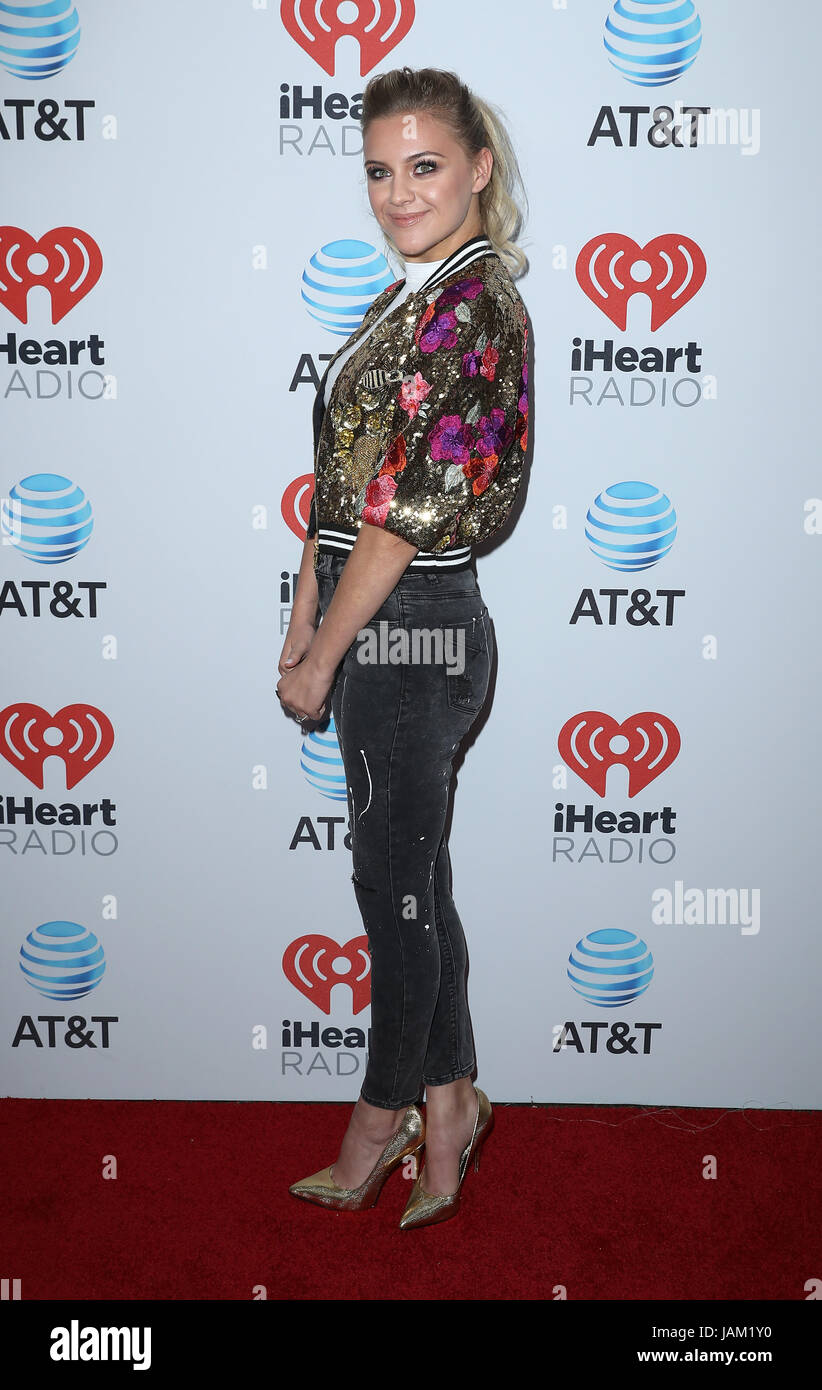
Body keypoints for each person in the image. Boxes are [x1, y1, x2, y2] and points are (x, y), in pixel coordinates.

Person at [276, 66, 530, 1229]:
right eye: (380, 170)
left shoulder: (470, 308)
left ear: (479, 167)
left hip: (410, 632)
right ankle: (454, 1104)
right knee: (417, 885)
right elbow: (338, 490)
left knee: (391, 896)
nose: (397, 191)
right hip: (385, 620)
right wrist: (300, 618)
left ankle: (379, 1122)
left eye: (423, 166)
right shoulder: (415, 297)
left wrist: (325, 654)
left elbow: (396, 521)